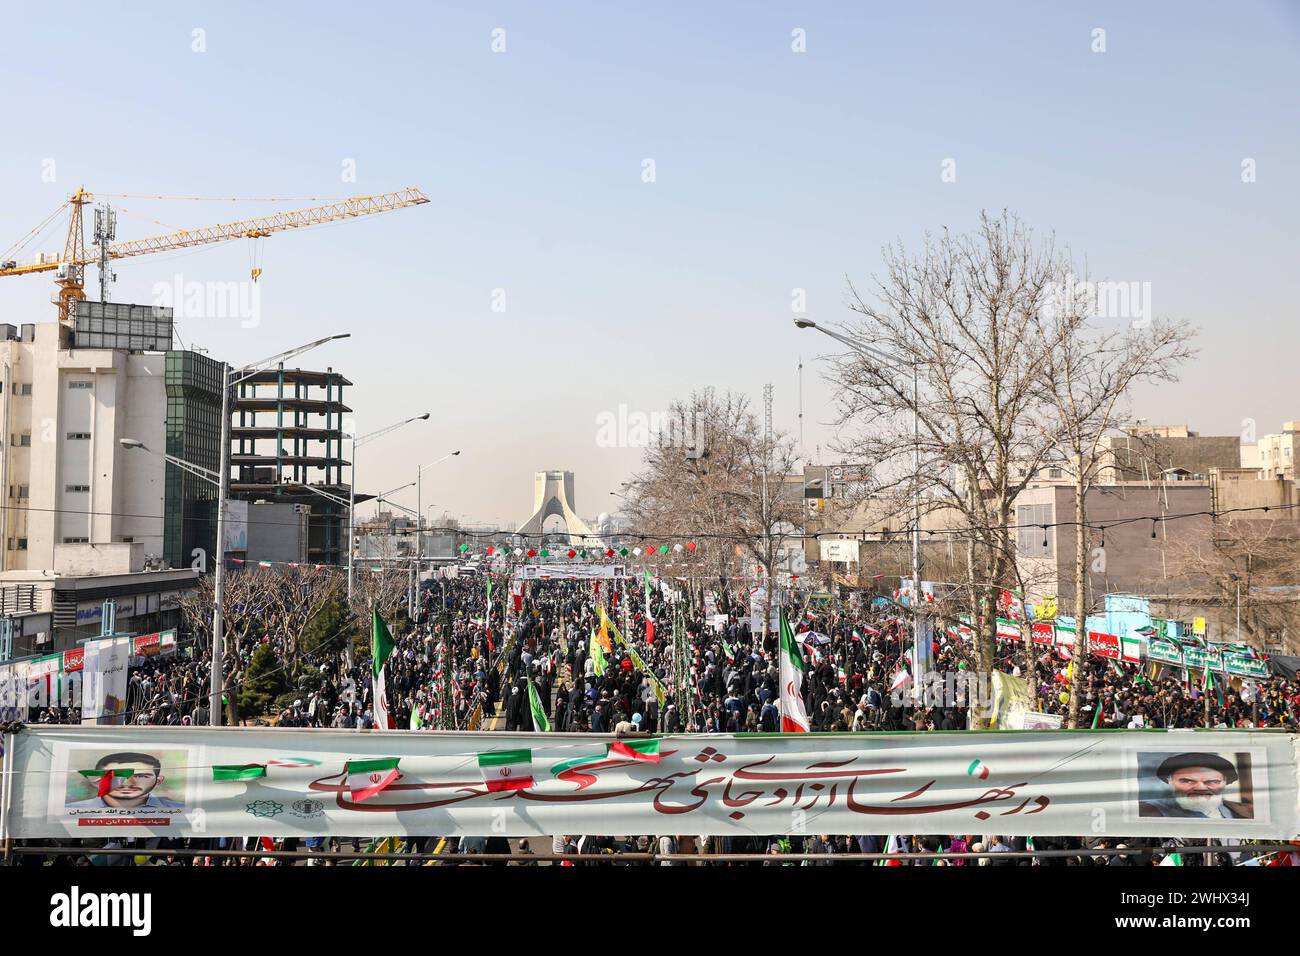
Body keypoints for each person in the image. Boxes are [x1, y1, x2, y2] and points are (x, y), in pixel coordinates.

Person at [1138, 753, 1252, 819]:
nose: (1201, 788)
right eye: (1187, 781)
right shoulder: (1150, 812)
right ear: (1170, 782)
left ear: (1224, 783)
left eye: (1212, 782)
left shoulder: (1242, 811)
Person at [66, 753, 183, 810]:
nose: (128, 783)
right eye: (115, 776)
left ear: (158, 781)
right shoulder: (72, 810)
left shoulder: (180, 811)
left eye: (141, 776)